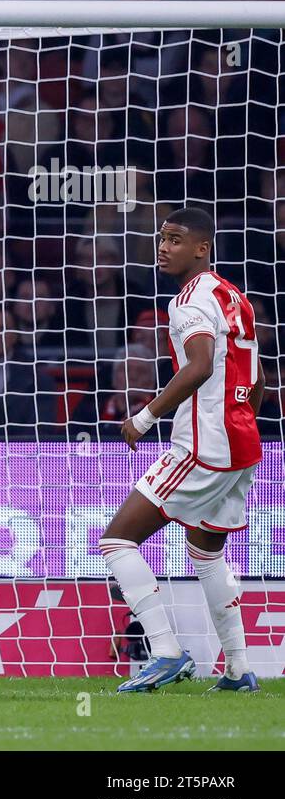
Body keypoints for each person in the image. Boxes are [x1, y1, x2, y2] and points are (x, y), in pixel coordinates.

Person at [100, 208, 264, 694]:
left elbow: (198, 366)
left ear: (202, 248)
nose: (164, 247)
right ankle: (238, 671)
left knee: (116, 541)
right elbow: (254, 376)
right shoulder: (233, 296)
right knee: (207, 553)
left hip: (203, 444)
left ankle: (167, 651)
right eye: (161, 239)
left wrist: (144, 416)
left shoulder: (189, 300)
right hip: (242, 444)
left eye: (176, 239)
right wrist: (242, 419)